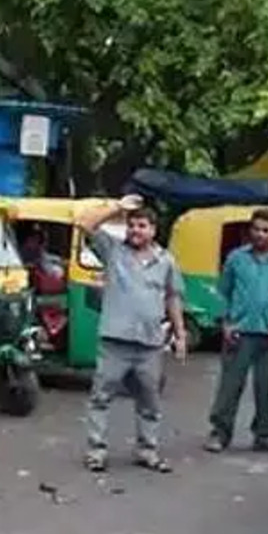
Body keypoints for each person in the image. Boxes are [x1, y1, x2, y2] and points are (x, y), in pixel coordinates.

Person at [78, 195, 188, 473]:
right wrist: (118, 207)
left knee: (149, 400)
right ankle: (96, 451)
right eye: (132, 225)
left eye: (142, 226)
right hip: (115, 340)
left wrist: (180, 334)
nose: (135, 231)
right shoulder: (113, 251)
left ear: (153, 230)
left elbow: (173, 297)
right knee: (101, 397)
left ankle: (147, 450)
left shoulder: (166, 261)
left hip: (150, 343)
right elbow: (84, 224)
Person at [203, 208, 268, 456]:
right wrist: (225, 323)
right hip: (239, 332)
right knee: (230, 385)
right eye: (256, 229)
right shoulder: (236, 258)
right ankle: (220, 433)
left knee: (265, 388)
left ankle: (264, 436)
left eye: (266, 230)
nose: (260, 234)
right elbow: (222, 292)